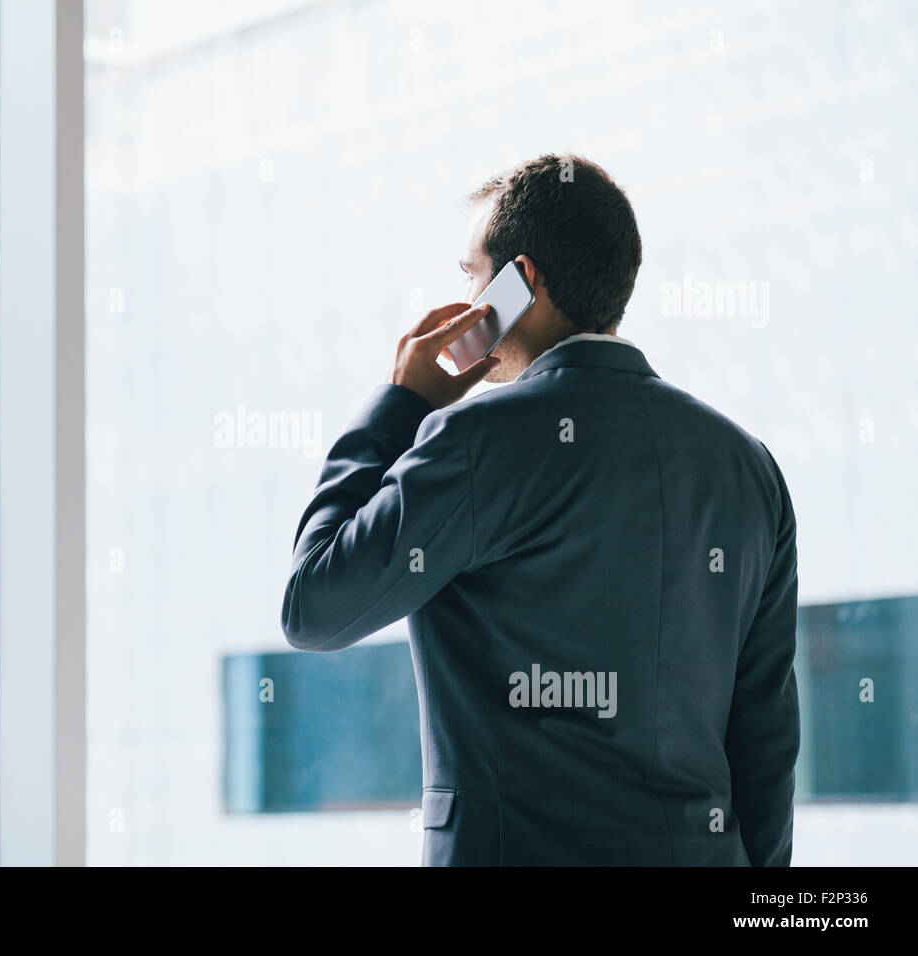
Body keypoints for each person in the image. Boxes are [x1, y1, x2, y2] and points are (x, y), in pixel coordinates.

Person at [280, 155, 799, 866]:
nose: (464, 303)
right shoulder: (747, 467)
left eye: (473, 276)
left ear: (522, 282)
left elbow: (316, 605)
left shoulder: (475, 441)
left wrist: (402, 403)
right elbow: (765, 744)